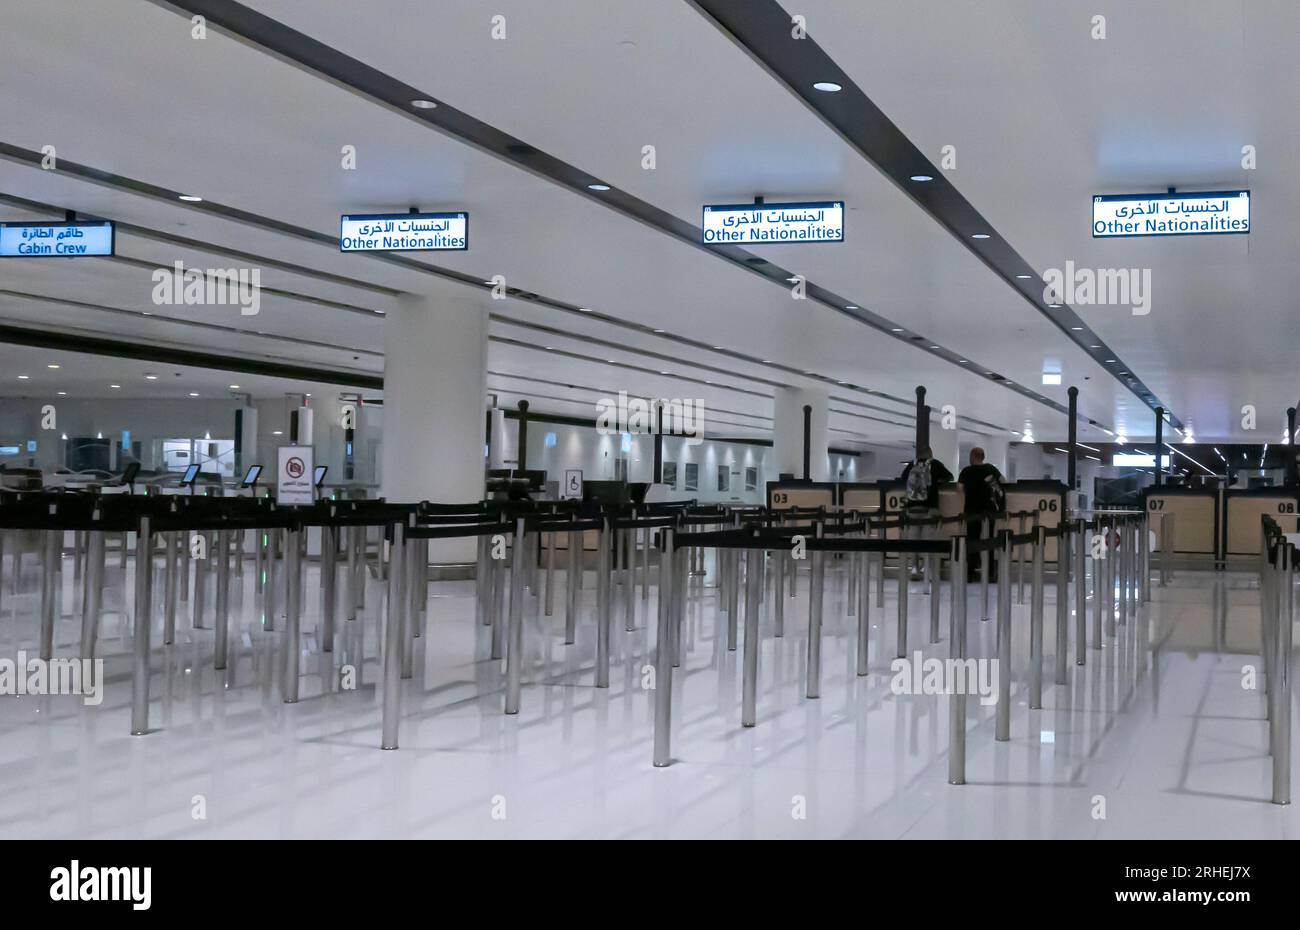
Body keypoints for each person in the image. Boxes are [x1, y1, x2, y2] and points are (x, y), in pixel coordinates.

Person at [899, 446, 953, 580]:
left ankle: (914, 567)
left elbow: (902, 478)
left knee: (914, 539)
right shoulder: (935, 464)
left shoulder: (912, 464)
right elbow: (949, 477)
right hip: (930, 507)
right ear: (931, 454)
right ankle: (927, 567)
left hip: (913, 508)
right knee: (929, 539)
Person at [958, 447, 1005, 583]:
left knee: (972, 540)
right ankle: (990, 571)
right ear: (983, 457)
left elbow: (959, 488)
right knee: (989, 540)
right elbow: (1003, 480)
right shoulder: (990, 469)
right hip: (989, 511)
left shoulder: (966, 471)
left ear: (972, 456)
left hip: (971, 510)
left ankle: (970, 572)